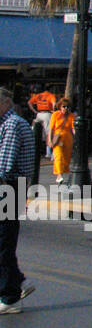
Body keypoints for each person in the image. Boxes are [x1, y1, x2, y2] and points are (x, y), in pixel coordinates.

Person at [0, 87, 37, 314]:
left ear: (4, 103)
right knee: (4, 239)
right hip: (11, 188)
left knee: (3, 241)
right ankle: (18, 281)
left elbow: (4, 166)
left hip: (9, 188)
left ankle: (10, 297)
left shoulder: (12, 124)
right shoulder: (9, 123)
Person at [48, 97, 75, 187]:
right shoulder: (55, 115)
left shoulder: (71, 116)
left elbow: (73, 128)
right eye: (63, 106)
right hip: (58, 138)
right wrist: (50, 139)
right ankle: (59, 175)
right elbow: (51, 128)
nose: (65, 108)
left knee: (66, 159)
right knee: (58, 156)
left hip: (68, 139)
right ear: (60, 106)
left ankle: (60, 174)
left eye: (67, 107)